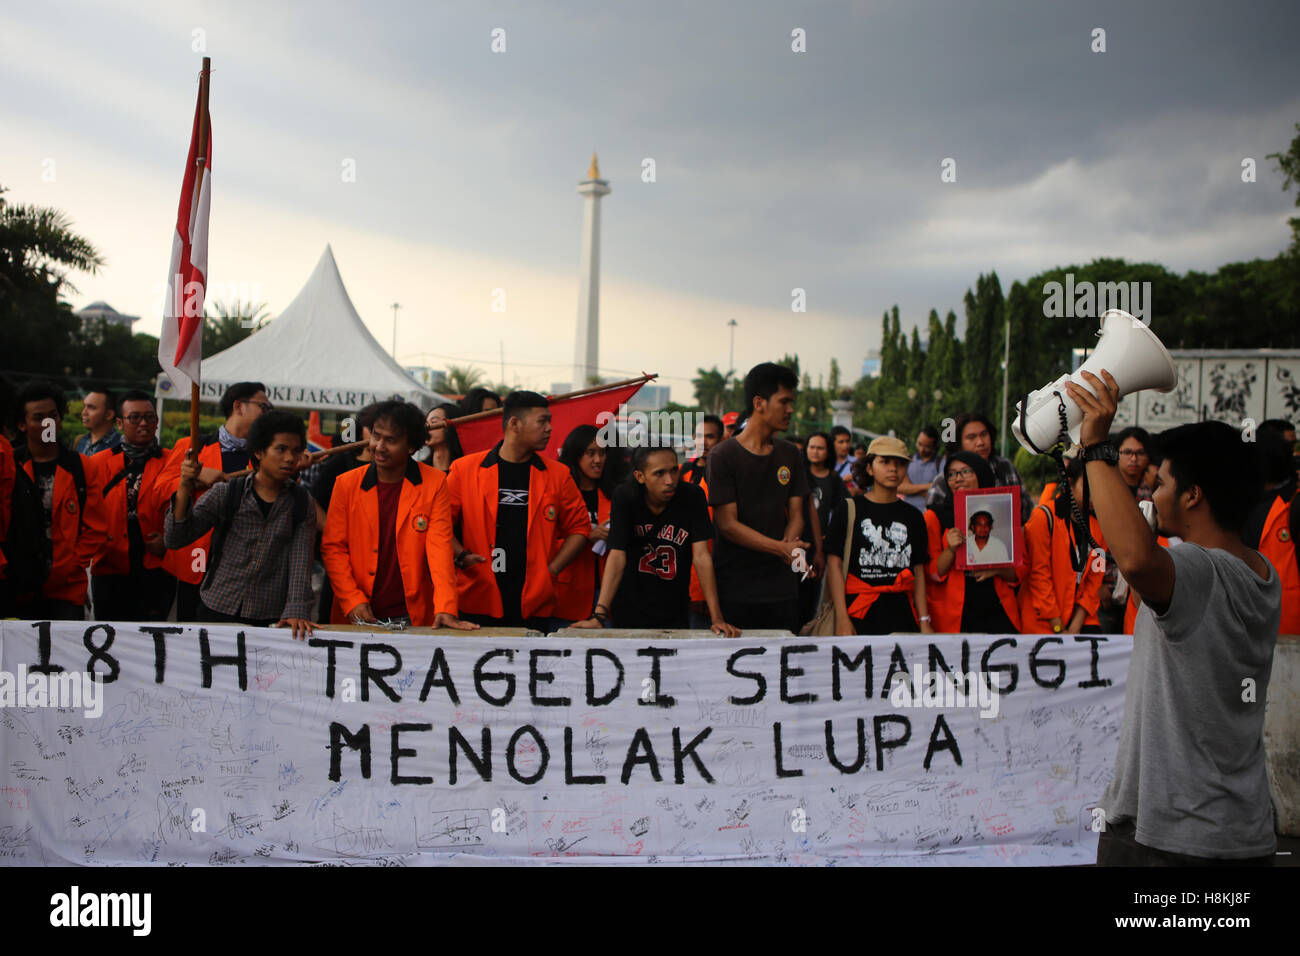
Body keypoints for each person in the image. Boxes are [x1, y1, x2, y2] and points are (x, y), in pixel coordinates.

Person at [1066, 371, 1279, 866]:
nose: (1150, 495)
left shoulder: (1198, 570)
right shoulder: (1262, 573)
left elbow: (1138, 563)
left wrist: (1096, 448)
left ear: (1192, 496)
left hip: (1173, 840)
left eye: (1159, 483)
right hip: (1239, 831)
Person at [322, 401, 476, 630]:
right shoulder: (346, 484)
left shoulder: (434, 483)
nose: (379, 446)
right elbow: (333, 548)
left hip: (411, 614)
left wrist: (445, 607)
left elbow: (439, 547)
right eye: (376, 436)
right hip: (356, 611)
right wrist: (352, 599)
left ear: (411, 447)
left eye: (391, 440)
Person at [165, 410, 316, 637]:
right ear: (258, 451)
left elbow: (300, 561)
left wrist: (296, 608)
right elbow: (176, 538)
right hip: (217, 607)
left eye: (296, 451)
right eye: (281, 449)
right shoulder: (227, 493)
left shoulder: (302, 503)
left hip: (269, 616)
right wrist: (185, 486)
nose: (290, 458)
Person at [447, 390, 589, 629]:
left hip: (534, 601)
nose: (549, 429)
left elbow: (580, 528)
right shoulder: (465, 469)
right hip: (477, 596)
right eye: (542, 421)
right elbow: (439, 524)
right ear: (514, 423)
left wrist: (552, 570)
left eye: (549, 421)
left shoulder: (558, 475)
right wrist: (461, 556)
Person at [573, 446, 737, 634]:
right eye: (659, 473)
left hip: (675, 608)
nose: (670, 481)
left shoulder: (692, 496)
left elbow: (701, 556)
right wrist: (599, 616)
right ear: (640, 476)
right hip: (629, 607)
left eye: (674, 470)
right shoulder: (626, 497)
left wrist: (716, 618)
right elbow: (617, 554)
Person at [155, 381, 271, 620]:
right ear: (238, 406)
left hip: (241, 570)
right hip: (196, 561)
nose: (267, 413)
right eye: (263, 406)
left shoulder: (264, 456)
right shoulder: (191, 447)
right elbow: (160, 491)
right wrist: (193, 477)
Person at [707, 362, 809, 633]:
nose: (790, 410)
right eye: (784, 401)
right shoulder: (723, 456)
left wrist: (789, 543)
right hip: (736, 588)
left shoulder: (790, 454)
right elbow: (727, 525)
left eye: (792, 402)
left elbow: (797, 513)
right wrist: (780, 548)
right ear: (759, 403)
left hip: (783, 588)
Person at [10, 382, 106, 620]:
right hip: (17, 584)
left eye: (53, 416)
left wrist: (72, 563)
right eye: (38, 417)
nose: (48, 424)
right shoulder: (9, 465)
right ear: (22, 424)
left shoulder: (82, 467)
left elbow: (97, 528)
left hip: (66, 589)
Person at [826, 437, 932, 635]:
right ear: (870, 468)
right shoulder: (848, 509)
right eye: (885, 462)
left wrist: (924, 620)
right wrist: (842, 618)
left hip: (902, 616)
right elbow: (834, 565)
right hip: (857, 614)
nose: (893, 469)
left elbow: (918, 571)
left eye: (900, 463)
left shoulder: (914, 516)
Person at [89, 390, 174, 621]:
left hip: (156, 566)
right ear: (119, 422)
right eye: (134, 417)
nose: (144, 423)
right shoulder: (97, 463)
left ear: (157, 422)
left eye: (149, 417)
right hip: (109, 565)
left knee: (152, 637)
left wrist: (168, 540)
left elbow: (186, 508)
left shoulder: (172, 461)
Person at [922, 452, 1023, 634]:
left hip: (998, 610)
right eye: (951, 474)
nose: (957, 479)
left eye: (965, 472)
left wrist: (997, 568)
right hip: (955, 617)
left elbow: (1018, 574)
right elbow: (932, 574)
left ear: (981, 474)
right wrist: (951, 551)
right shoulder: (934, 516)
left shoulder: (1004, 510)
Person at [1019, 455, 1106, 635]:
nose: (1095, 494)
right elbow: (1039, 574)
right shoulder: (1043, 518)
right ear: (1070, 484)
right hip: (1042, 621)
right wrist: (1058, 626)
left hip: (1080, 619)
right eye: (1089, 486)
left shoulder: (1100, 527)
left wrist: (1076, 624)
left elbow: (1095, 580)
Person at [551, 424, 614, 626]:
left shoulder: (614, 494)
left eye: (602, 453)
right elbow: (545, 544)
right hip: (567, 596)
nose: (598, 460)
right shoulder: (559, 495)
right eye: (590, 453)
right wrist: (587, 536)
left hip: (606, 597)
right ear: (575, 455)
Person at [799, 431, 842, 625]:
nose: (815, 452)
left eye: (820, 448)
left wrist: (829, 536)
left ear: (828, 451)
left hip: (820, 546)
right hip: (798, 544)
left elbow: (843, 510)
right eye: (812, 447)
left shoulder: (833, 478)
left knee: (812, 595)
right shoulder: (799, 474)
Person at [899, 425, 941, 511]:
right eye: (920, 444)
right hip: (907, 511)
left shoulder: (940, 463)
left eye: (927, 447)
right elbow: (899, 487)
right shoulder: (908, 460)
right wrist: (928, 486)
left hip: (929, 514)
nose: (922, 449)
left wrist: (910, 488)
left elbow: (939, 494)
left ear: (934, 446)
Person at [414, 402, 463, 472]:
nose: (427, 427)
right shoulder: (418, 471)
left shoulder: (463, 471)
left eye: (433, 422)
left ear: (450, 428)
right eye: (426, 423)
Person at [75, 388, 122, 456]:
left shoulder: (121, 447)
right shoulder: (79, 441)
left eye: (91, 407)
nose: (84, 412)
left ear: (109, 415)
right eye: (84, 406)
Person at [1113, 427, 1154, 503]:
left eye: (1140, 453)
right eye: (1127, 452)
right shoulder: (1107, 485)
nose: (1134, 459)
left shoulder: (1155, 487)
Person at [681, 414, 723, 486]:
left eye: (710, 437)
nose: (703, 442)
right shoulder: (683, 470)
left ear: (721, 440)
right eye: (699, 436)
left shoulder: (726, 473)